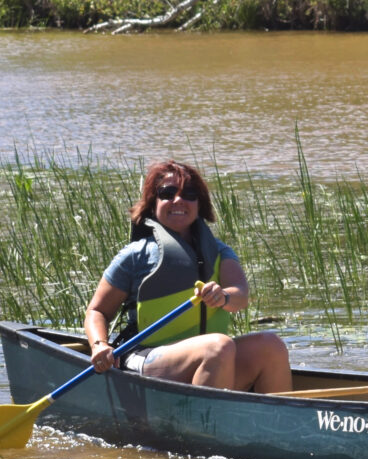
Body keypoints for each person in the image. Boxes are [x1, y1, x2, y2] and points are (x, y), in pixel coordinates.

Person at [83, 160, 292, 393]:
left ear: (199, 204)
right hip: (146, 355)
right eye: (168, 193)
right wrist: (99, 346)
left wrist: (222, 296)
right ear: (153, 203)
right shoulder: (135, 255)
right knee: (218, 346)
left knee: (271, 346)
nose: (178, 200)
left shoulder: (220, 252)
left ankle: (275, 424)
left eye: (189, 194)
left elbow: (240, 295)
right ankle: (206, 425)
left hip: (213, 356)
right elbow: (97, 312)